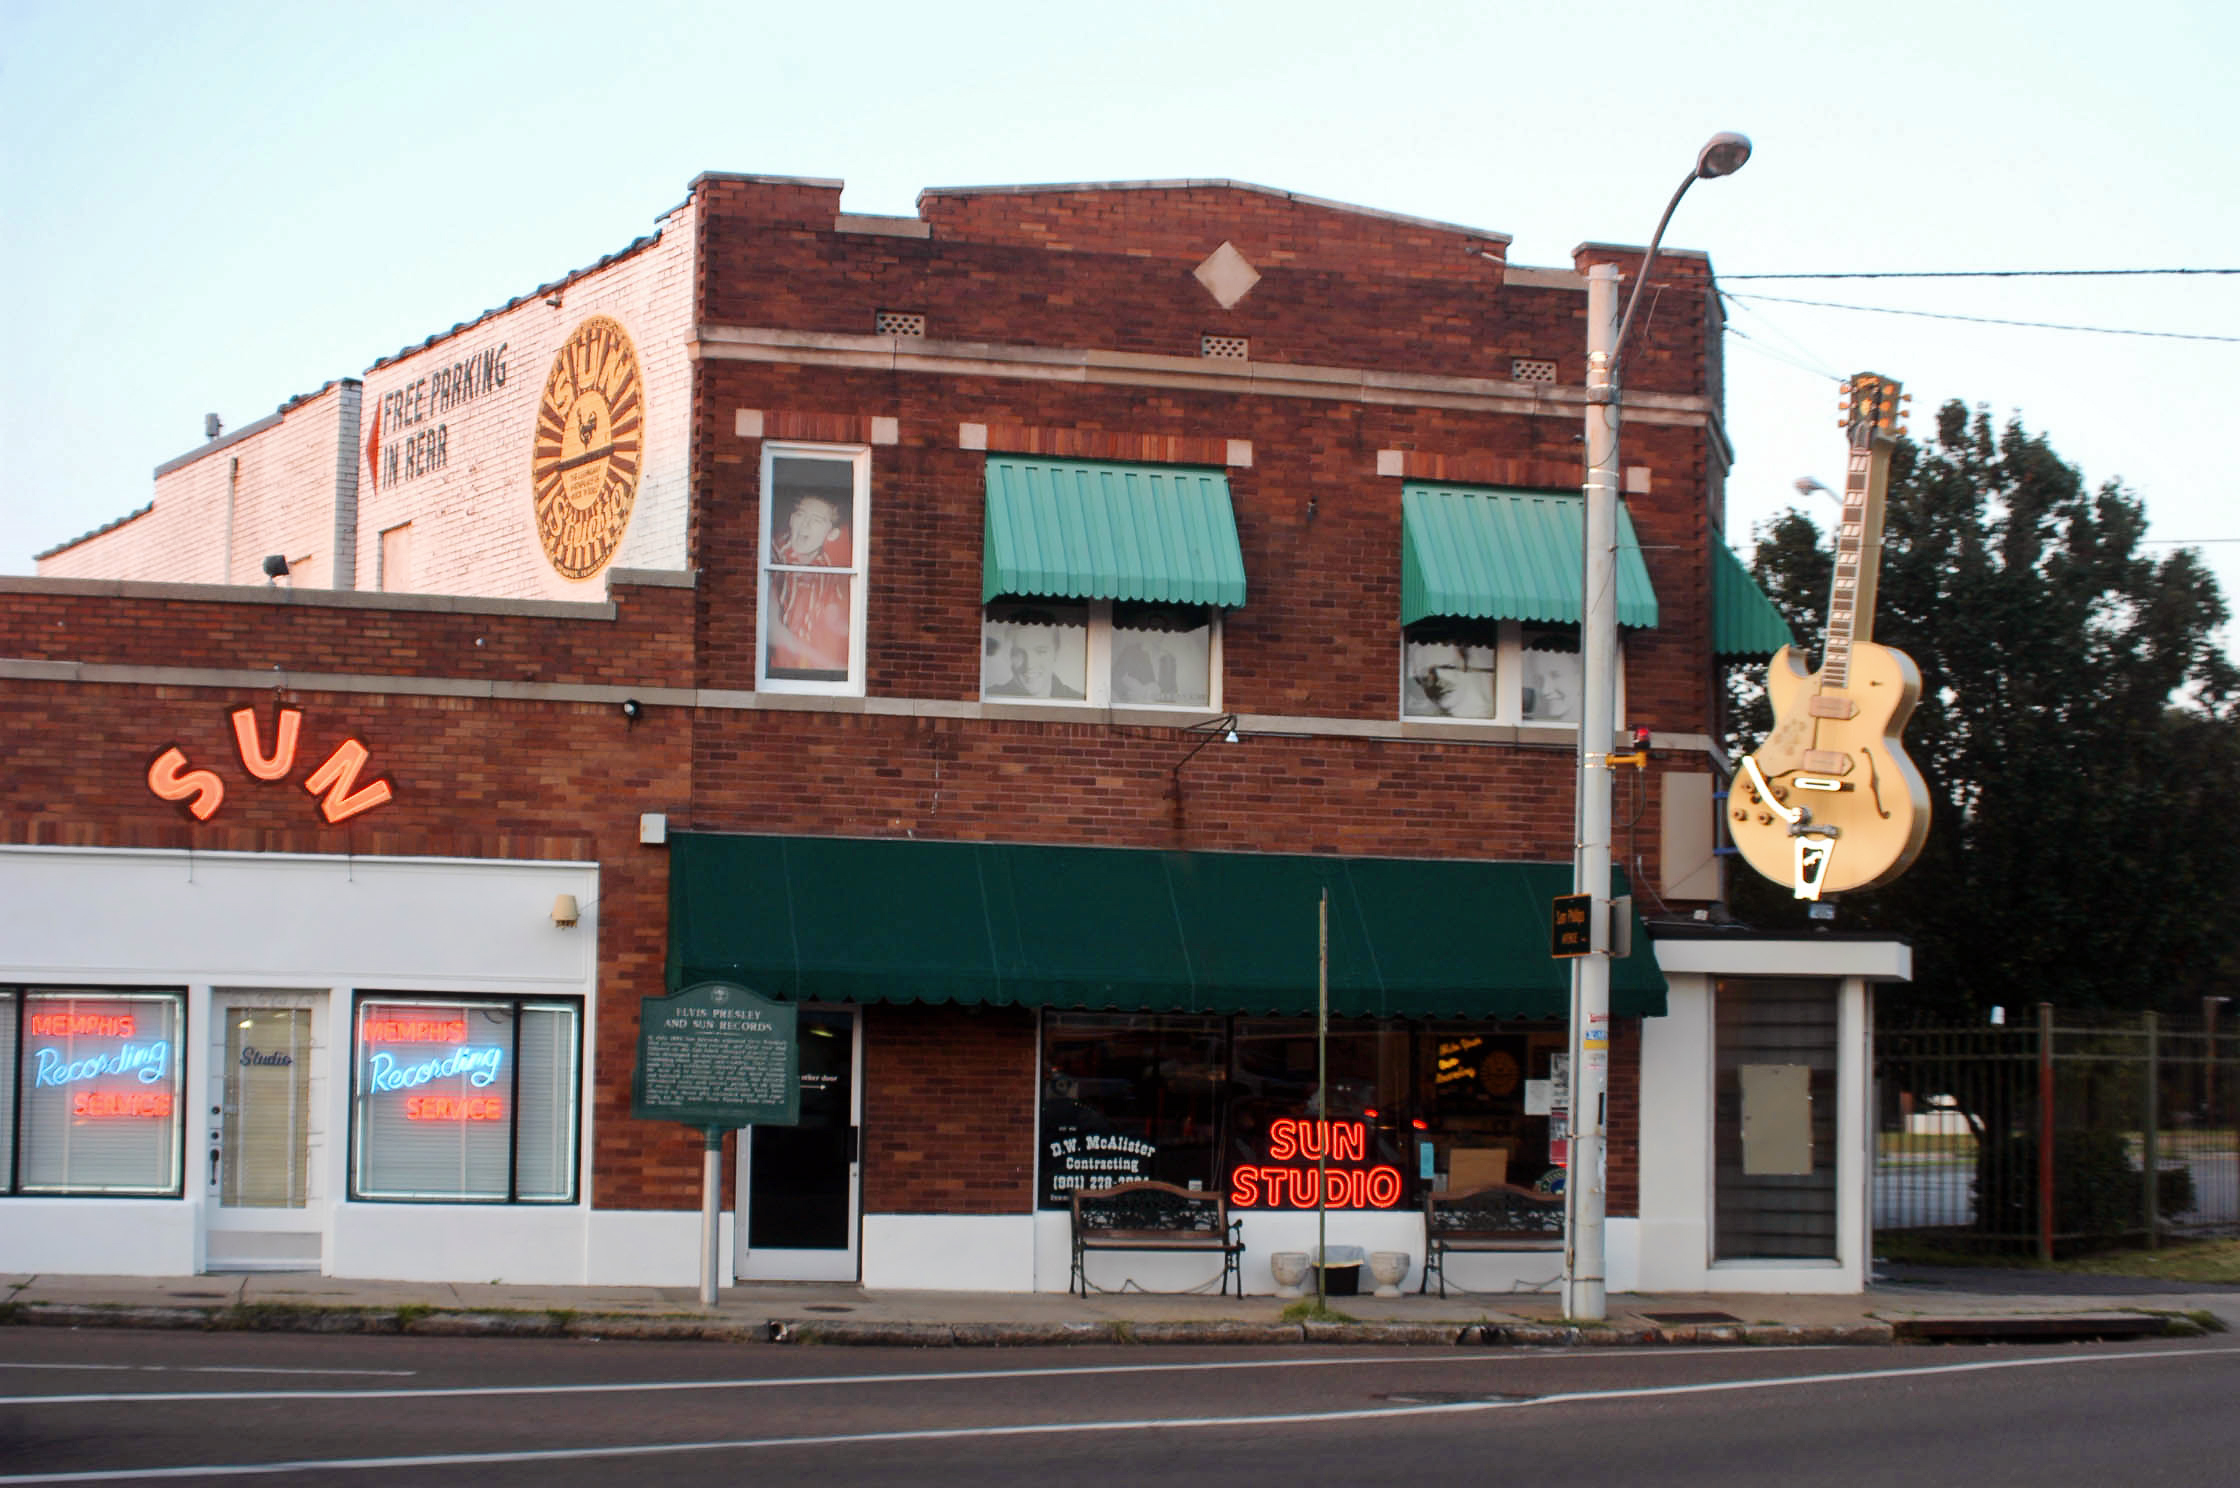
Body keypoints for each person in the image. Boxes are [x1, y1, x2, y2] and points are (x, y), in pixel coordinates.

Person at [766, 488, 850, 677]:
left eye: (816, 520)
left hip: (806, 671)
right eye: (800, 514)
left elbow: (835, 620)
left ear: (832, 534)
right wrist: (830, 665)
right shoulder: (772, 555)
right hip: (778, 672)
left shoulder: (827, 569)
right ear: (791, 519)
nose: (805, 525)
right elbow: (772, 630)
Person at [987, 612, 1083, 698]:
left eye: (1041, 652)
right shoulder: (992, 696)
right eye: (1019, 653)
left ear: (1056, 653)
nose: (1029, 665)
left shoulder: (1076, 700)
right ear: (1010, 655)